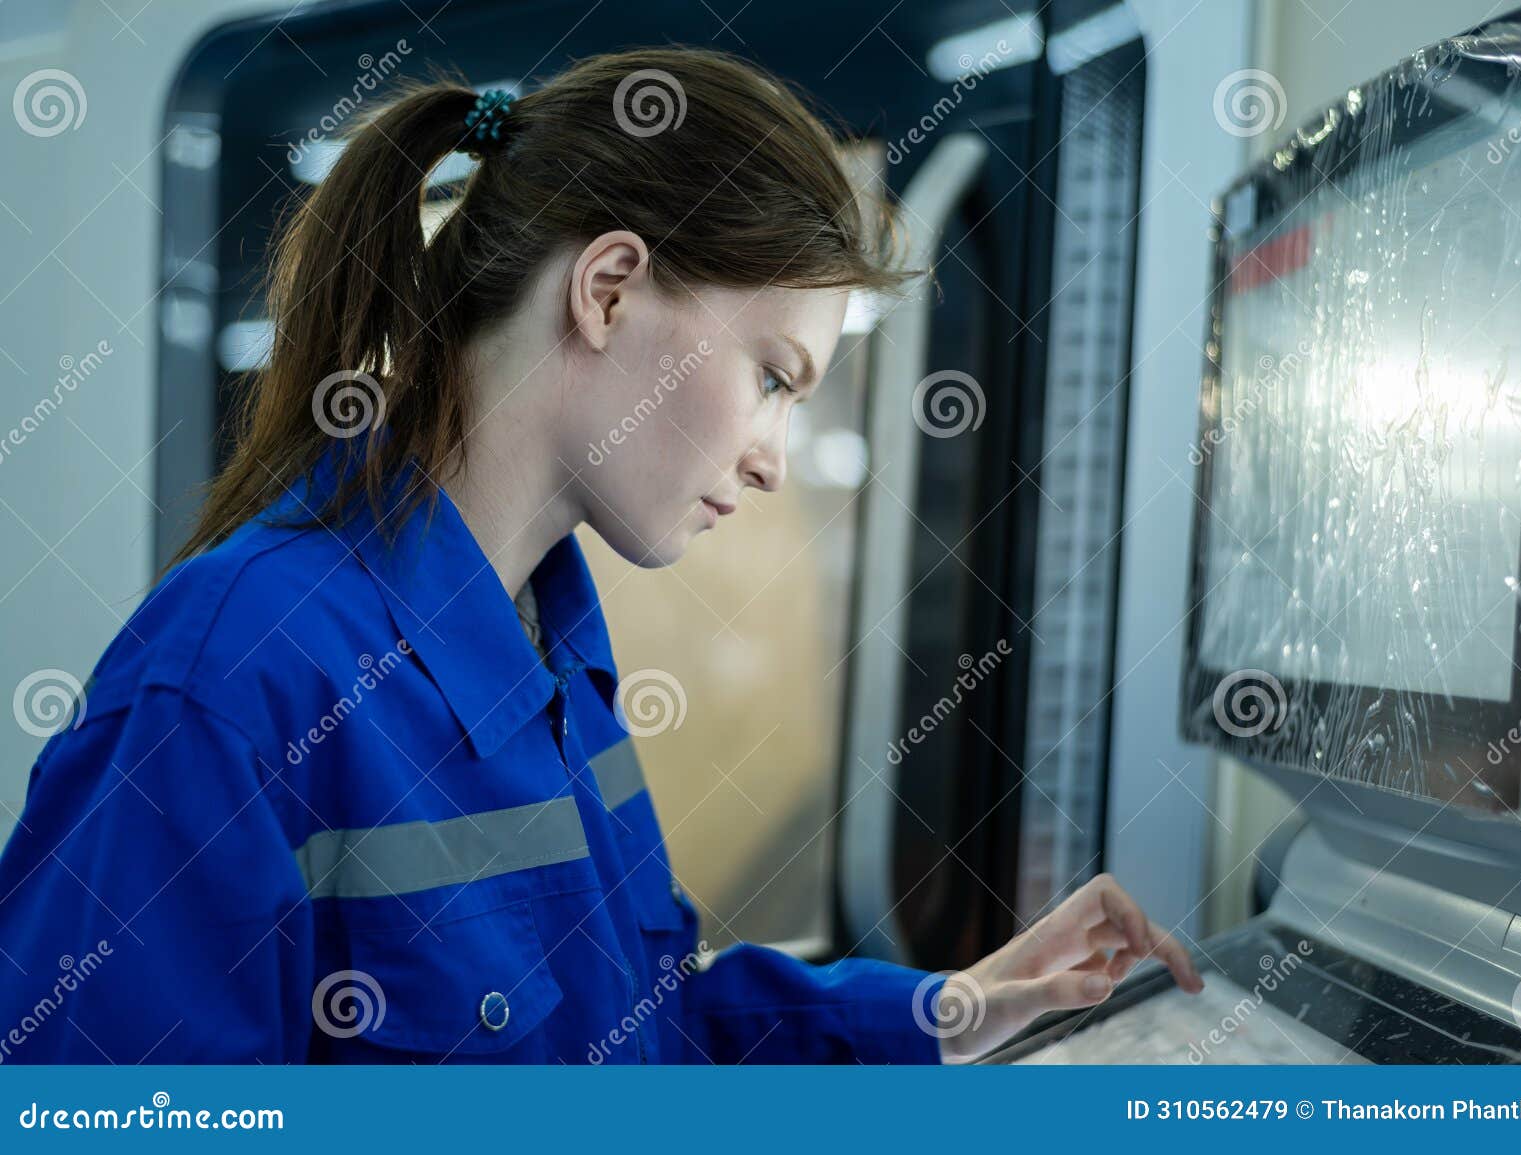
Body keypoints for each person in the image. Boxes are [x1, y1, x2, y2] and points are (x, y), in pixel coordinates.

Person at [0, 47, 1201, 1064]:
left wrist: (963, 1005)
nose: (775, 459)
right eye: (772, 378)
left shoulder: (556, 648)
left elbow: (645, 1029)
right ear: (612, 291)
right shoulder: (234, 683)